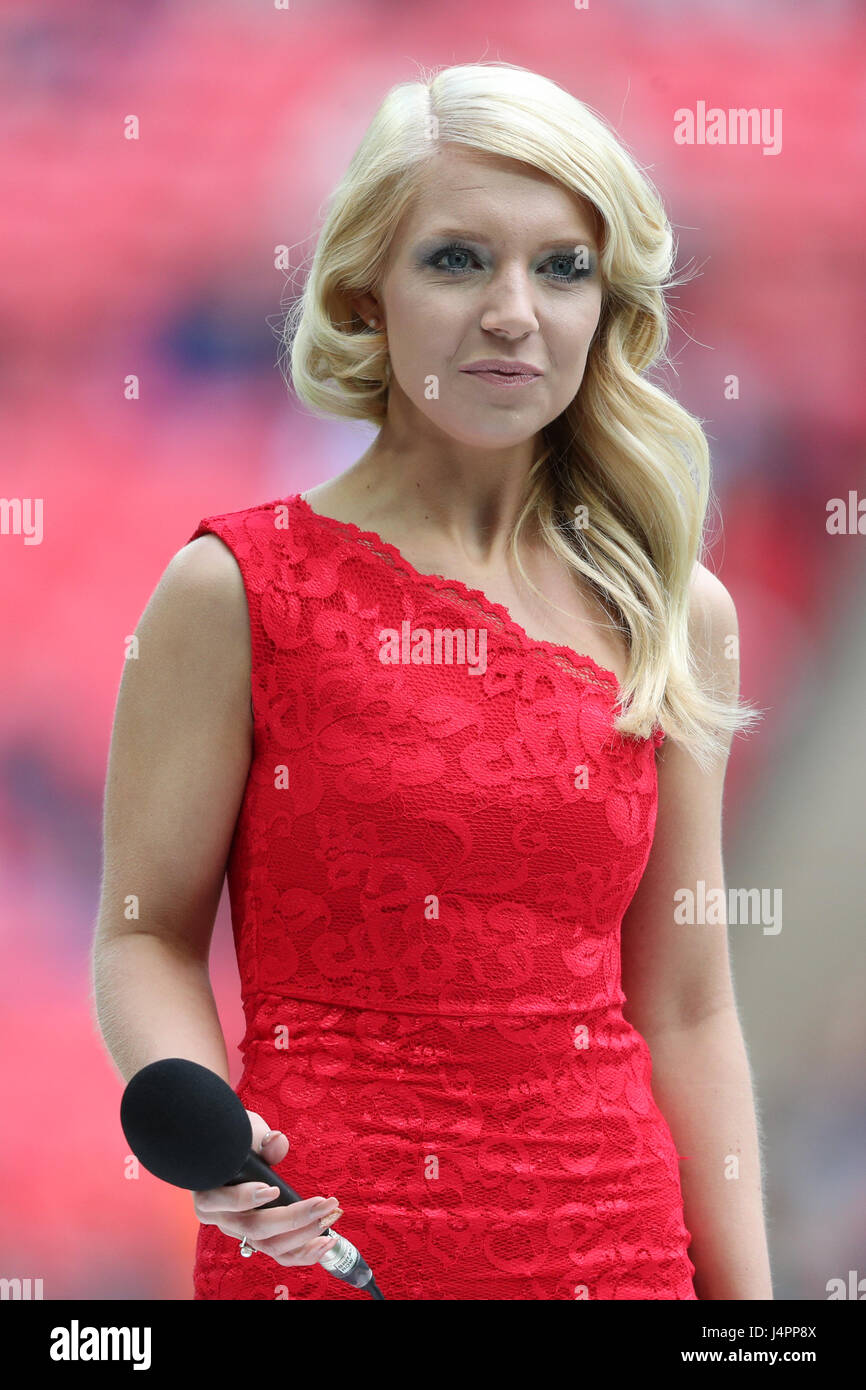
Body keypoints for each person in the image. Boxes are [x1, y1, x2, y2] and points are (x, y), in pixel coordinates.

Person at [92, 61, 773, 1300]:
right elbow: (144, 936)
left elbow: (685, 1009)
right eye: (458, 260)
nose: (513, 311)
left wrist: (752, 1322)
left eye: (561, 267)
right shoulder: (233, 588)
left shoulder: (673, 612)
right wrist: (214, 1146)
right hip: (322, 1242)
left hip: (614, 1247)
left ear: (605, 309)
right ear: (364, 297)